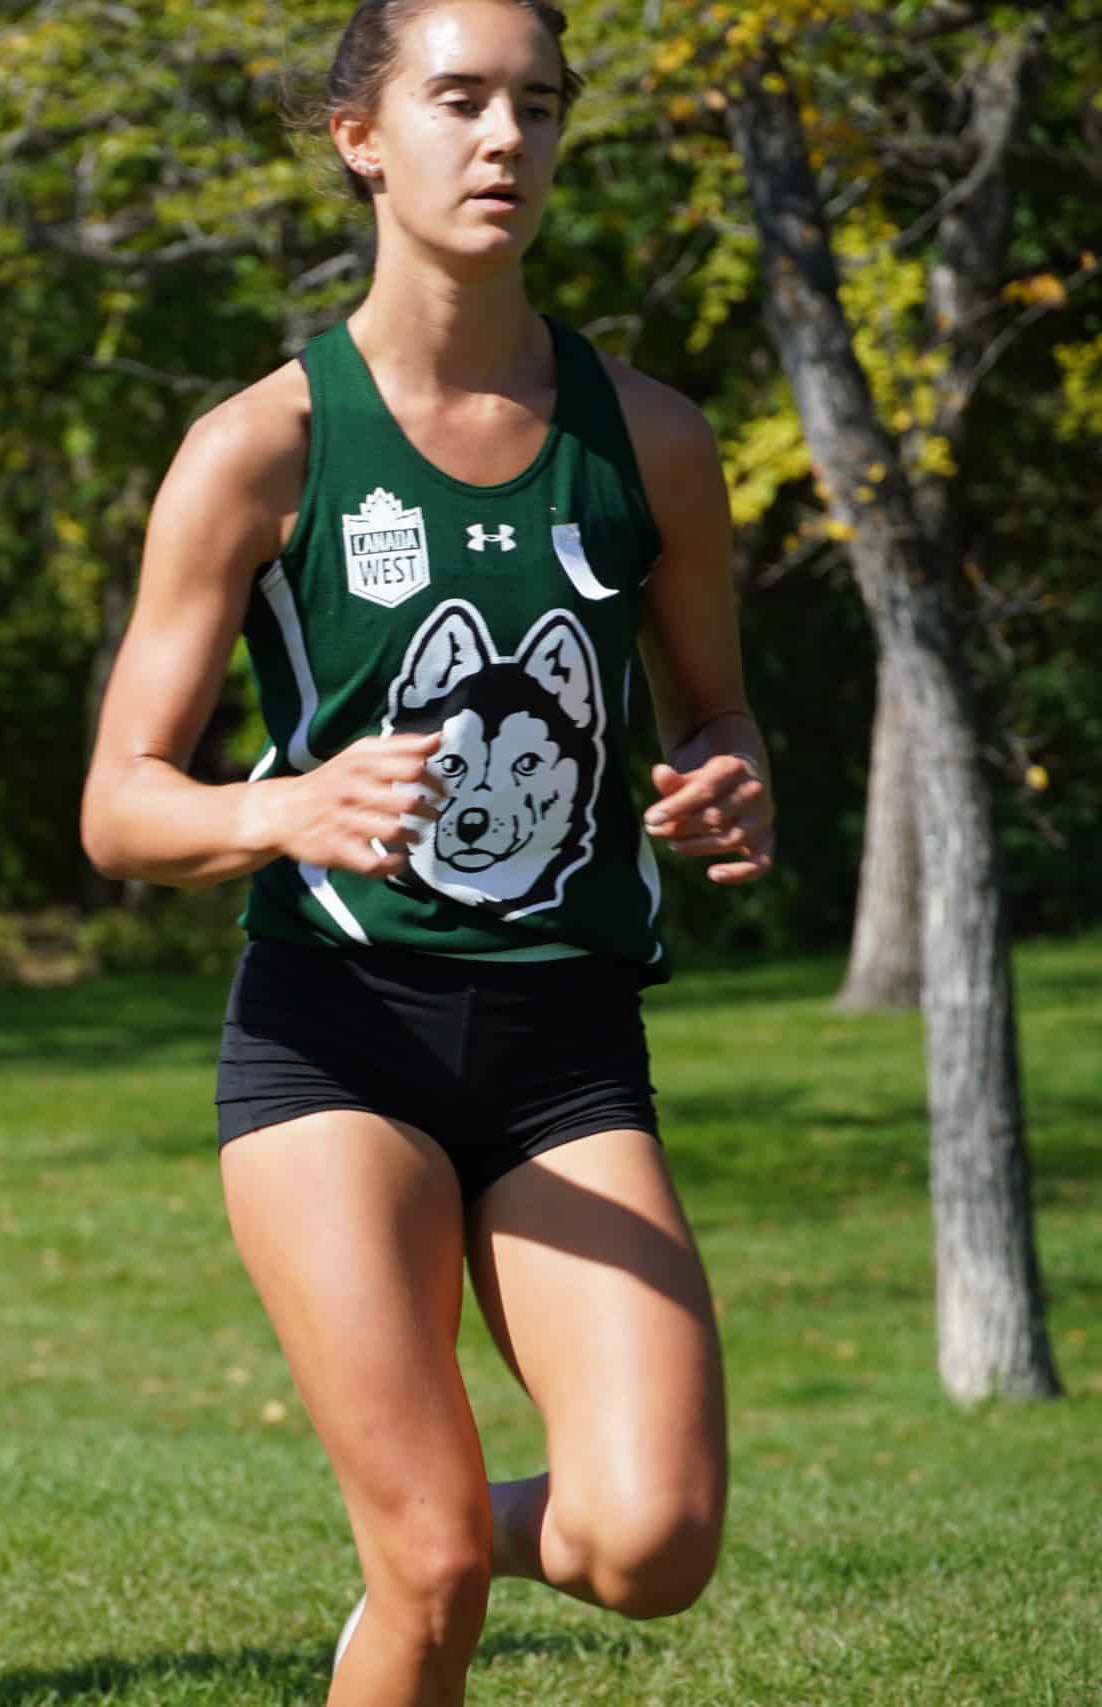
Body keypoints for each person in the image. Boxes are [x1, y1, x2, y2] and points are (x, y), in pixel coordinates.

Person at [79, 3, 775, 1702]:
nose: (505, 141)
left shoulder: (655, 442)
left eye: (537, 106)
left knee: (652, 1543)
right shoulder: (263, 445)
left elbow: (720, 722)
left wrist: (728, 783)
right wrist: (276, 811)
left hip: (567, 1048)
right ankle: (417, 1559)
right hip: (339, 1042)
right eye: (459, 100)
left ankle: (428, 1544)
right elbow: (120, 804)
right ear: (361, 139)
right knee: (438, 1560)